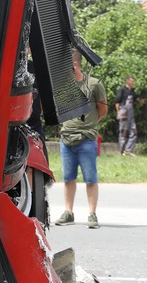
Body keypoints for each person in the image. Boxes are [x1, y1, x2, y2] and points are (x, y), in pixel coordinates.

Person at [55, 53, 108, 228]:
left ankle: (92, 214)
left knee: (90, 179)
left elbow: (102, 111)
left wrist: (89, 127)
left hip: (87, 140)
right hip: (66, 138)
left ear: (75, 64)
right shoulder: (62, 85)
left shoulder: (94, 84)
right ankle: (68, 212)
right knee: (68, 178)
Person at [116, 76, 138, 156]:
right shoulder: (122, 90)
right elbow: (117, 102)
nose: (133, 83)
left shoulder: (132, 91)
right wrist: (119, 112)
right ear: (127, 81)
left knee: (133, 131)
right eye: (132, 81)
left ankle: (128, 150)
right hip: (123, 112)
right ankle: (122, 151)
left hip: (131, 114)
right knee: (123, 132)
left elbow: (136, 99)